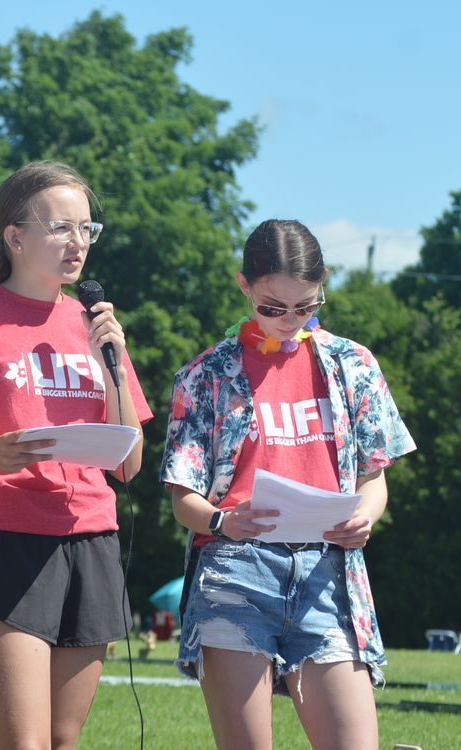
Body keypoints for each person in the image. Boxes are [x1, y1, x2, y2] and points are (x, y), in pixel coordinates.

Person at [0, 161, 154, 749]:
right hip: (6, 538)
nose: (78, 243)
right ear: (15, 236)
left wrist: (113, 365)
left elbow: (129, 464)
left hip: (92, 537)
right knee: (23, 742)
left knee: (62, 740)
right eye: (61, 228)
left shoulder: (97, 328)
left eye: (87, 229)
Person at [160, 219, 416, 749]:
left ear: (322, 287)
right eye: (272, 306)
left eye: (306, 306)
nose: (289, 320)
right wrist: (222, 521)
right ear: (243, 285)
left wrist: (366, 514)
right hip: (235, 569)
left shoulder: (352, 365)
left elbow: (375, 477)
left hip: (329, 572)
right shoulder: (206, 374)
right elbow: (181, 495)